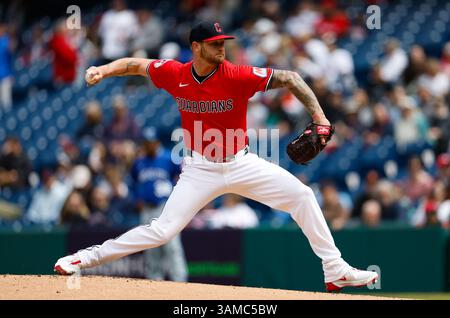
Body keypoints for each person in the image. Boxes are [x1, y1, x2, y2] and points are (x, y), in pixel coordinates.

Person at [54, 21, 378, 292]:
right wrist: (103, 69)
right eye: (214, 43)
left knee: (303, 195)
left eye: (223, 42)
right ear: (196, 47)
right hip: (199, 169)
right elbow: (135, 65)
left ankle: (334, 268)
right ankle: (84, 258)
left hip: (241, 163)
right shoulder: (174, 73)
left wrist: (320, 119)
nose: (222, 47)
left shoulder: (236, 75)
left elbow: (291, 78)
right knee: (162, 231)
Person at [130, 127, 188, 282]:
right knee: (151, 248)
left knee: (172, 247)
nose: (148, 145)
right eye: (146, 142)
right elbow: (133, 183)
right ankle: (154, 283)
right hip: (147, 210)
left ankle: (180, 282)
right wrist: (137, 198)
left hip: (166, 208)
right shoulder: (139, 163)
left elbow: (183, 175)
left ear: (157, 142)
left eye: (151, 142)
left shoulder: (169, 158)